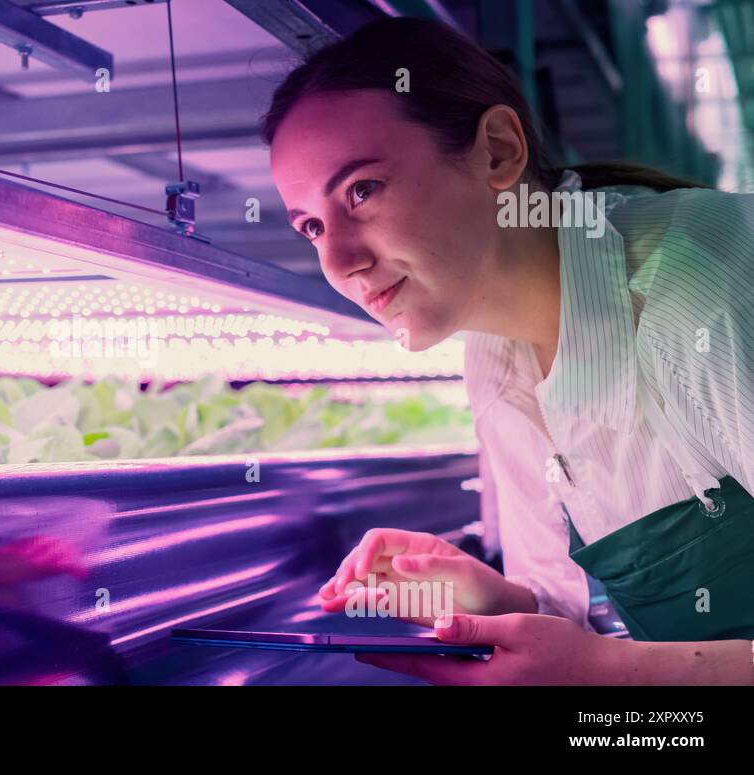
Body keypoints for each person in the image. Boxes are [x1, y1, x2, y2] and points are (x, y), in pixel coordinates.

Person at [264, 17, 754, 684]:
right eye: (311, 226)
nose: (339, 260)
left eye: (362, 190)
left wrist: (617, 679)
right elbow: (582, 623)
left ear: (498, 151)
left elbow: (618, 668)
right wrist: (491, 601)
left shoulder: (707, 284)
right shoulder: (495, 357)